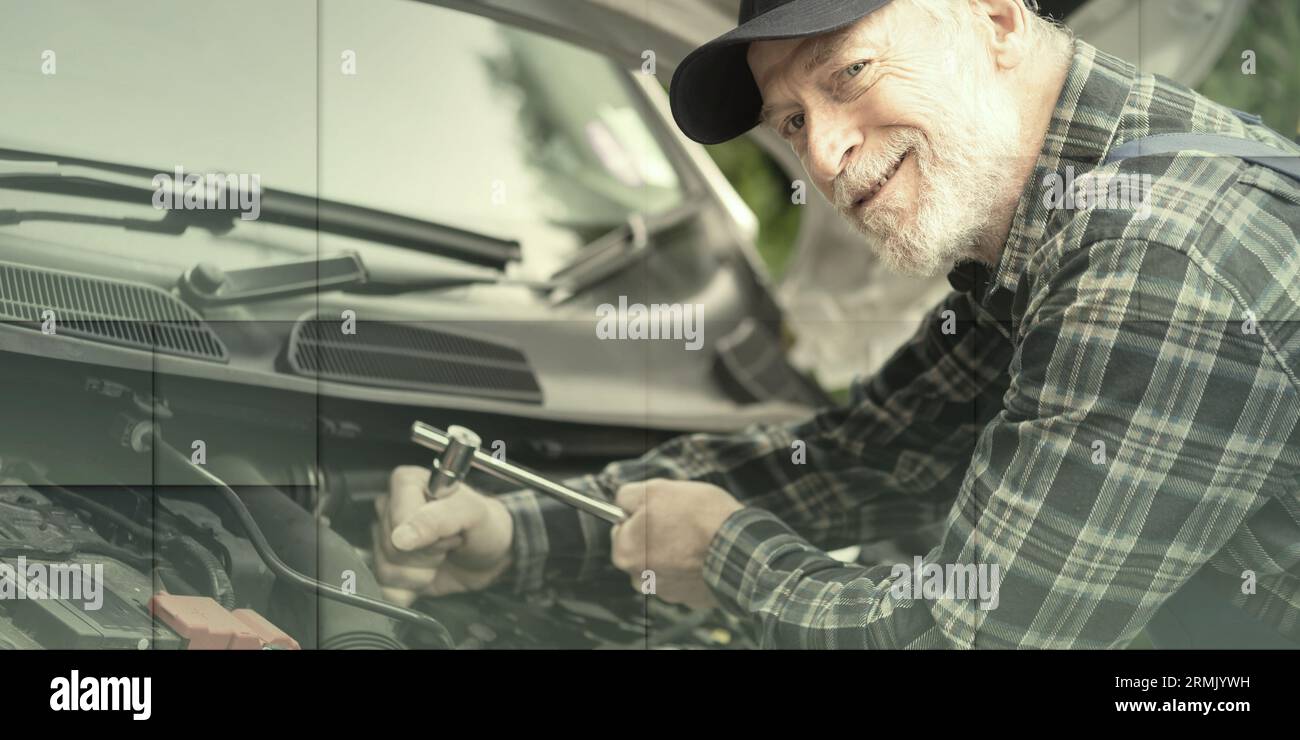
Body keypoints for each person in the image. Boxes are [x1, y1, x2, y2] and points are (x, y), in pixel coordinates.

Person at [373, 0, 1300, 648]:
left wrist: (724, 553)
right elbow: (865, 455)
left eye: (850, 73)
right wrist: (516, 528)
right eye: (789, 123)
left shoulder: (1162, 263)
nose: (821, 153)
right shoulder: (1062, 221)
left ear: (996, 18)